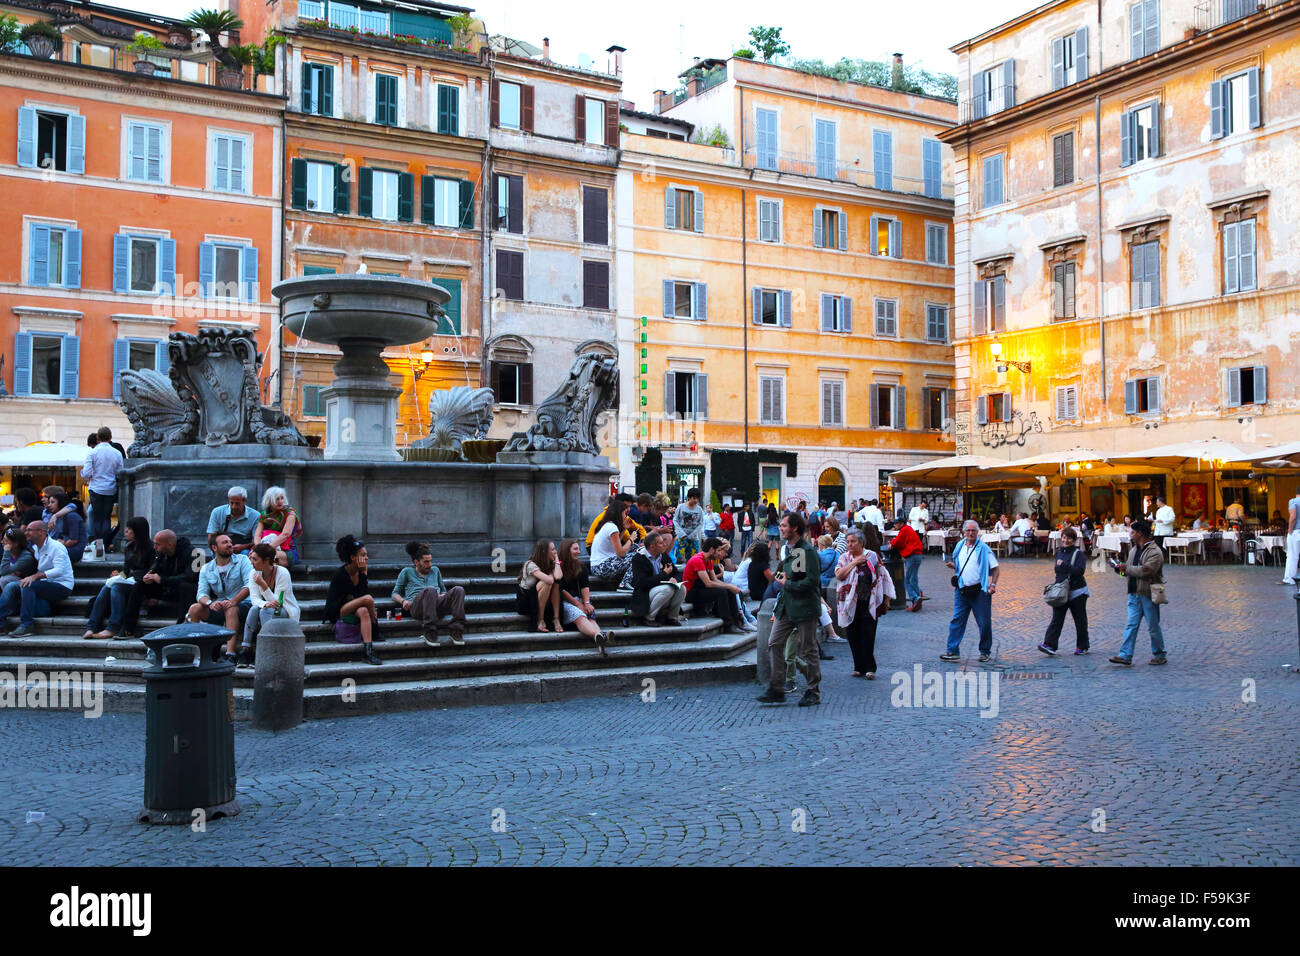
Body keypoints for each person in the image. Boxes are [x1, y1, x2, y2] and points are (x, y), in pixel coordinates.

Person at [755, 512, 823, 706]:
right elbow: (793, 575)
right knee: (774, 642)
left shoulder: (807, 551)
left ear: (794, 528)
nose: (781, 528)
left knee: (809, 649)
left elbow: (811, 581)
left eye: (784, 526)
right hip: (787, 607)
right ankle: (777, 688)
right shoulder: (792, 550)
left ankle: (813, 691)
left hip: (804, 607)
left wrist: (787, 584)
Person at [834, 527, 894, 678]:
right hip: (849, 603)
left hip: (869, 601)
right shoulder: (844, 558)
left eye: (853, 541)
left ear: (861, 542)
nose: (850, 544)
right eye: (848, 542)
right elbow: (839, 575)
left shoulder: (872, 556)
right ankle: (858, 666)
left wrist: (887, 599)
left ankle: (870, 668)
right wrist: (855, 562)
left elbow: (883, 576)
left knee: (868, 635)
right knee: (853, 635)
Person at [82, 516, 153, 639]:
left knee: (116, 587)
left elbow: (150, 571)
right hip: (129, 581)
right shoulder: (129, 548)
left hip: (141, 584)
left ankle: (113, 627)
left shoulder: (151, 548)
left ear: (138, 531)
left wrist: (127, 577)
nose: (126, 531)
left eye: (130, 529)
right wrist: (118, 576)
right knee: (107, 587)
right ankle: (91, 626)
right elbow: (126, 570)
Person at [0, 521, 75, 637]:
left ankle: (27, 624)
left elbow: (59, 570)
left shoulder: (56, 547)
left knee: (28, 585)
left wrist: (35, 577)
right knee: (11, 586)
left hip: (62, 585)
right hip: (45, 583)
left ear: (41, 532)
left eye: (30, 530)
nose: (26, 532)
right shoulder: (36, 548)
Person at [940, 520, 1000, 663]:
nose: (970, 533)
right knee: (957, 620)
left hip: (980, 591)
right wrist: (953, 566)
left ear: (977, 532)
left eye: (973, 530)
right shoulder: (960, 546)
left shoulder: (984, 549)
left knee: (984, 623)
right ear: (964, 532)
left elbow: (996, 568)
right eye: (968, 530)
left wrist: (993, 585)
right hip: (961, 590)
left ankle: (985, 651)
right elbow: (960, 566)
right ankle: (952, 651)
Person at [1109, 519, 1167, 666]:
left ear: (1140, 534)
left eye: (1133, 532)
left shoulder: (1155, 551)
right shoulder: (1134, 550)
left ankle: (1160, 654)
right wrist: (1119, 571)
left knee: (1153, 625)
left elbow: (1146, 571)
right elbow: (1129, 571)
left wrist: (1125, 568)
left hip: (1149, 593)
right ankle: (1125, 655)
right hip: (1134, 592)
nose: (1130, 534)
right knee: (1131, 625)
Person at [235, 541, 300, 668]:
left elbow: (278, 602)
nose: (252, 562)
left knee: (266, 611)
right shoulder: (254, 573)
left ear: (266, 560)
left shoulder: (283, 573)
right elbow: (254, 599)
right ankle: (245, 649)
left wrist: (263, 586)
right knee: (254, 609)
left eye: (255, 559)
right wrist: (265, 604)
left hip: (286, 610)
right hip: (264, 609)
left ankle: (265, 648)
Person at [187, 534, 253, 656]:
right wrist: (210, 603)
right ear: (214, 548)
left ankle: (230, 654)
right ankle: (196, 651)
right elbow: (201, 594)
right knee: (194, 608)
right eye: (224, 542)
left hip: (244, 604)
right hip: (220, 605)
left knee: (231, 609)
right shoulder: (207, 568)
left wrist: (233, 601)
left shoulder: (242, 560)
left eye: (230, 542)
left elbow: (249, 585)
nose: (230, 544)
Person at [393, 541, 467, 647]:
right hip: (418, 608)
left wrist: (442, 595)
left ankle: (456, 630)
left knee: (459, 590)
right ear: (416, 562)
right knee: (431, 590)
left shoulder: (435, 570)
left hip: (436, 606)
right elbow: (395, 593)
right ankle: (430, 632)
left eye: (430, 561)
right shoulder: (407, 572)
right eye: (426, 562)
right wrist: (403, 601)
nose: (430, 565)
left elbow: (443, 590)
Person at [124, 529, 200, 630]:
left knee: (186, 586)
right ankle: (128, 628)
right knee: (139, 585)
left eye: (157, 544)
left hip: (188, 592)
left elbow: (191, 577)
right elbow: (154, 569)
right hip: (167, 589)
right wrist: (148, 577)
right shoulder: (162, 553)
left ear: (169, 544)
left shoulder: (196, 553)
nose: (154, 547)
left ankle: (181, 627)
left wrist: (162, 580)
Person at [323, 534, 382, 665]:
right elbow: (361, 597)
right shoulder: (340, 574)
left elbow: (360, 595)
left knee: (363, 611)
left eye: (366, 555)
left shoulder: (360, 572)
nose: (367, 558)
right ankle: (375, 628)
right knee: (368, 599)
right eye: (363, 555)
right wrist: (364, 576)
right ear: (353, 557)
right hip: (337, 610)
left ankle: (368, 651)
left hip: (353, 606)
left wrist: (363, 575)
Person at [1039, 527, 1089, 656]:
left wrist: (1065, 566)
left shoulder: (1078, 554)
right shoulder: (1060, 552)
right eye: (1064, 538)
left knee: (1080, 620)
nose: (1066, 540)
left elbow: (1080, 571)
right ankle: (1049, 644)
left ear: (1074, 540)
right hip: (1062, 590)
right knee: (1057, 618)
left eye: (1069, 538)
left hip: (1077, 591)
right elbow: (1058, 570)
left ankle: (1082, 646)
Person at [557, 538, 611, 652]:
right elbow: (561, 590)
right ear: (567, 550)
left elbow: (584, 586)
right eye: (575, 549)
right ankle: (600, 635)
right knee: (580, 615)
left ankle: (600, 640)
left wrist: (586, 603)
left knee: (590, 615)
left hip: (580, 599)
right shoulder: (558, 567)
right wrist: (578, 605)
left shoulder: (581, 566)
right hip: (564, 601)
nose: (579, 552)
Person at [683, 536, 744, 632]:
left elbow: (714, 579)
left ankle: (735, 621)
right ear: (712, 549)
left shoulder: (708, 560)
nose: (720, 553)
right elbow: (708, 583)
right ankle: (727, 626)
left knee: (729, 591)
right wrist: (728, 585)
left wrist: (731, 587)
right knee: (722, 592)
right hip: (691, 592)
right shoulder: (698, 560)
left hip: (700, 588)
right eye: (719, 550)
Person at [627, 529, 686, 626]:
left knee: (682, 588)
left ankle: (672, 617)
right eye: (661, 543)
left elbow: (678, 573)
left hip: (660, 592)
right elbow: (641, 583)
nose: (665, 545)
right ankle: (649, 618)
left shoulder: (663, 556)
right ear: (652, 546)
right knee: (668, 589)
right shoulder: (639, 558)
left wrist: (675, 579)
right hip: (645, 593)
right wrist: (664, 575)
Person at [81, 428, 124, 555]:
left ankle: (98, 546)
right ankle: (105, 545)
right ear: (110, 437)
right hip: (110, 488)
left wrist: (83, 473)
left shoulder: (93, 453)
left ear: (98, 438)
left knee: (97, 518)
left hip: (96, 488)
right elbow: (120, 472)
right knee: (106, 518)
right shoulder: (116, 453)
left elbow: (87, 473)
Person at [588, 497, 636, 588]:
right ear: (619, 513)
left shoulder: (607, 524)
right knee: (637, 556)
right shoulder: (611, 527)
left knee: (636, 548)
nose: (626, 516)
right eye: (625, 513)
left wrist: (624, 529)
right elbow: (620, 553)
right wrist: (630, 539)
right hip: (601, 567)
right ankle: (624, 583)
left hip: (598, 566)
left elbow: (614, 545)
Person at [517, 539, 562, 633]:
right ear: (544, 551)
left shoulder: (550, 563)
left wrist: (557, 560)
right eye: (553, 549)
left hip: (539, 598)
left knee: (556, 584)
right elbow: (550, 580)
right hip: (526, 602)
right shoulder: (530, 564)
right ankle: (540, 620)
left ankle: (556, 619)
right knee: (547, 583)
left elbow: (558, 577)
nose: (555, 551)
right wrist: (551, 574)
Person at [206, 486, 260, 554]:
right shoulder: (217, 512)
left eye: (237, 503)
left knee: (245, 554)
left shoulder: (255, 516)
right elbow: (211, 536)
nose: (234, 507)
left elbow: (256, 540)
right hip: (222, 547)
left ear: (245, 501)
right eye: (231, 503)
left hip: (244, 548)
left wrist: (243, 547)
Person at [255, 486, 300, 567]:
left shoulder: (290, 513)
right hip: (264, 548)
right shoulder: (264, 515)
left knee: (268, 556)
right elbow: (257, 535)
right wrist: (258, 549)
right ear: (269, 500)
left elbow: (285, 534)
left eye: (282, 498)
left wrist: (266, 549)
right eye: (277, 499)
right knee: (253, 556)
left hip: (287, 550)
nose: (280, 501)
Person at [887, 518, 925, 611]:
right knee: (913, 578)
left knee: (907, 580)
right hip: (917, 555)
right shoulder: (908, 529)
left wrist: (891, 543)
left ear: (901, 524)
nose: (894, 526)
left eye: (895, 524)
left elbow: (898, 541)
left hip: (912, 556)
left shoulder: (904, 530)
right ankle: (917, 598)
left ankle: (915, 598)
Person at [44, 488, 87, 566]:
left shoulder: (71, 516)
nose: (49, 505)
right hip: (64, 546)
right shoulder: (59, 517)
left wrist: (59, 545)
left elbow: (74, 540)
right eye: (49, 502)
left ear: (60, 503)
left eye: (53, 502)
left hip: (74, 549)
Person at [674, 487, 706, 564]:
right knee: (679, 559)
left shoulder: (699, 509)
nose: (696, 501)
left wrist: (693, 534)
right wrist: (681, 533)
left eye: (697, 499)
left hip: (694, 538)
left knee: (693, 561)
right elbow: (675, 520)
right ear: (689, 497)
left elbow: (701, 523)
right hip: (681, 538)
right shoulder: (681, 507)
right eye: (694, 498)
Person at [0, 526, 36, 590]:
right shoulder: (11, 552)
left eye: (6, 540)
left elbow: (3, 571)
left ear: (16, 543)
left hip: (29, 584)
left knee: (4, 579)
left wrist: (6, 552)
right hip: (17, 579)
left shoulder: (26, 557)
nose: (2, 542)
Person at [1280, 484, 1299, 587]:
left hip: (1296, 532)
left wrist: (1290, 529)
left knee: (1292, 555)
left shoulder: (1293, 501)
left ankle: (1290, 579)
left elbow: (1293, 516)